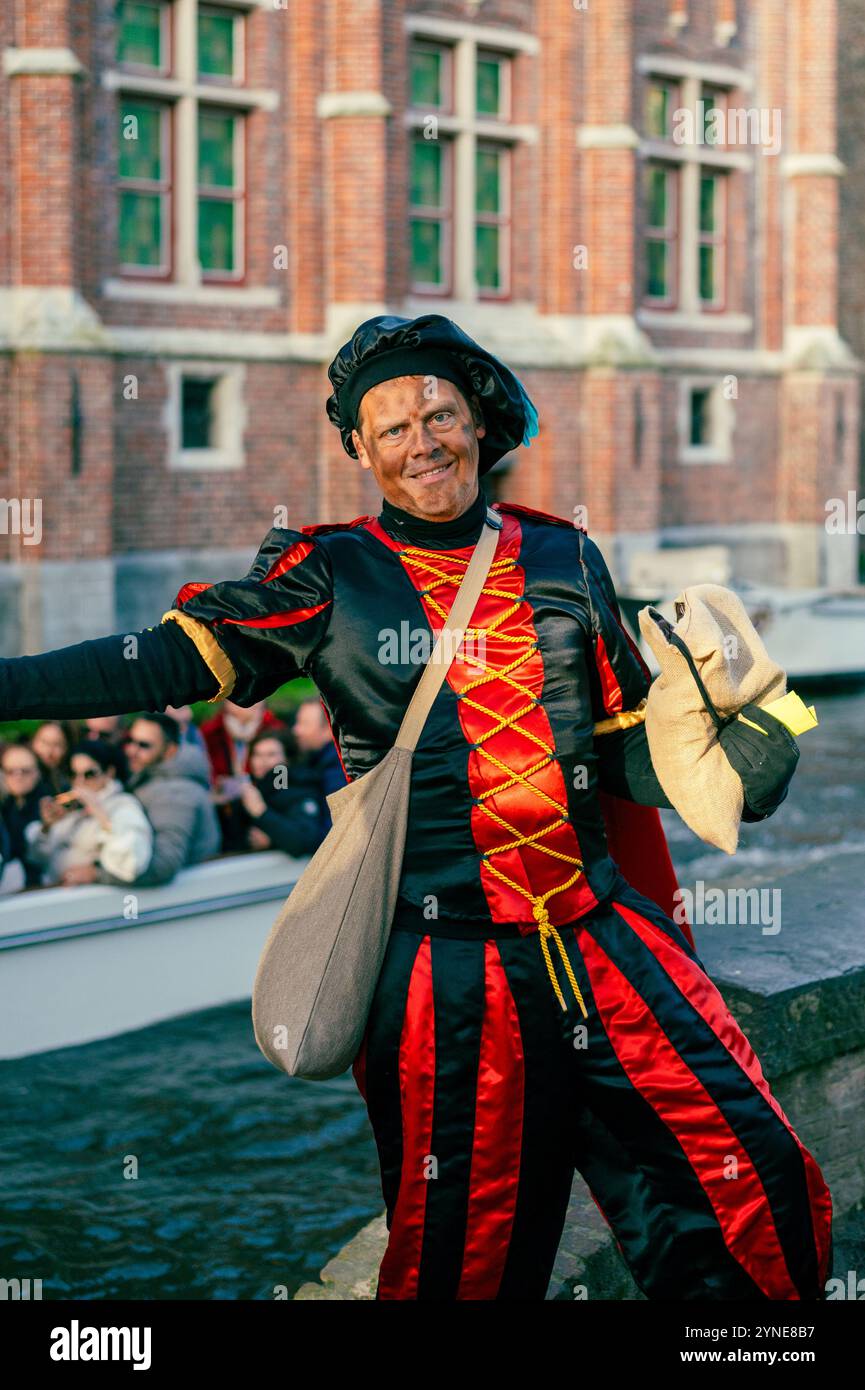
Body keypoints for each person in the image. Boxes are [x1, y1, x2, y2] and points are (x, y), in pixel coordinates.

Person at [0, 313, 832, 1302]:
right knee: (461, 1259)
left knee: (754, 1188)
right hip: (449, 986)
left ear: (478, 421)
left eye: (438, 412)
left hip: (606, 946)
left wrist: (746, 764)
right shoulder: (327, 572)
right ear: (359, 449)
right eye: (390, 427)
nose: (421, 441)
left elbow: (623, 752)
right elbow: (168, 657)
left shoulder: (564, 554)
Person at [99, 713, 221, 887]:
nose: (131, 750)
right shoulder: (149, 778)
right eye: (130, 741)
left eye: (144, 745)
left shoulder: (175, 794)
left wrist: (96, 874)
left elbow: (163, 866)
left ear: (170, 750)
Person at [24, 738, 152, 888]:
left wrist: (99, 812)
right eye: (74, 774)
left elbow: (132, 863)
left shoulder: (123, 806)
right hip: (52, 890)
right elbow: (37, 859)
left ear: (109, 772)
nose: (80, 782)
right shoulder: (73, 810)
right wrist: (47, 826)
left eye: (89, 774)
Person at [230, 728, 330, 856]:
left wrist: (261, 813)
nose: (262, 761)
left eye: (271, 754)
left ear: (287, 759)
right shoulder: (255, 791)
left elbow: (305, 841)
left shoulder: (301, 788)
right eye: (257, 755)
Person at [0, 740, 55, 887]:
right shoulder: (6, 806)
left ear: (37, 772)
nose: (18, 776)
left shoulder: (50, 805)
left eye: (25, 771)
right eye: (10, 771)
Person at [291, 697, 347, 832]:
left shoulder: (336, 772)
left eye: (304, 723)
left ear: (327, 728)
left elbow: (334, 830)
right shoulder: (319, 762)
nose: (296, 730)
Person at [30, 719, 78, 794]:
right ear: (33, 741)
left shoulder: (73, 780)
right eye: (44, 742)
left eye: (57, 745)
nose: (48, 751)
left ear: (67, 747)